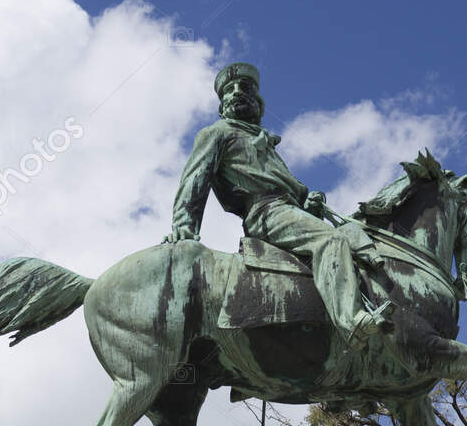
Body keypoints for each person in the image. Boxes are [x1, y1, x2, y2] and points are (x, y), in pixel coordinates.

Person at [167, 62, 390, 347]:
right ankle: (352, 321)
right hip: (265, 212)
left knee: (355, 235)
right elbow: (195, 179)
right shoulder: (217, 133)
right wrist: (184, 227)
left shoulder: (264, 143)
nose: (237, 92)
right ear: (221, 106)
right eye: (229, 90)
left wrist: (308, 202)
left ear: (257, 101)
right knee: (331, 241)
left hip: (288, 210)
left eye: (244, 87)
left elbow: (287, 189)